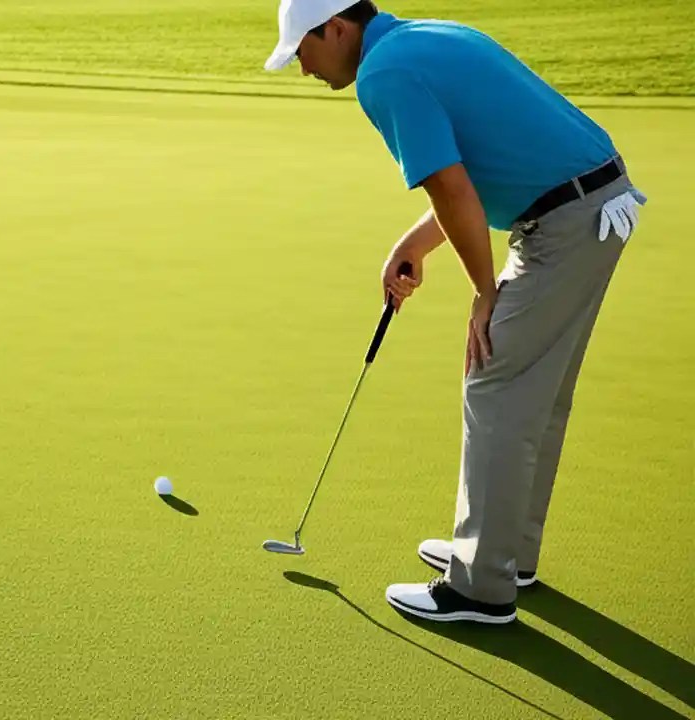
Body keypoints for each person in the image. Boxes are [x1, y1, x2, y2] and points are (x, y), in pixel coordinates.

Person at [262, 0, 646, 624]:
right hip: (597, 203)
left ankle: (479, 588)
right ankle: (503, 554)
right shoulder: (425, 36)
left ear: (334, 27)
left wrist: (482, 291)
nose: (303, 69)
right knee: (532, 393)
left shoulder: (383, 73)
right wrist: (414, 245)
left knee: (495, 385)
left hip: (564, 222)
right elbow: (471, 170)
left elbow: (451, 186)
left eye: (301, 52)